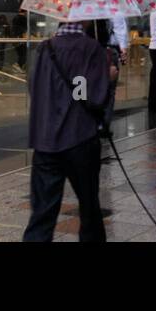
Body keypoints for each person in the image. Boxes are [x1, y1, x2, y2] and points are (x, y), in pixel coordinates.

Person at [23, 21, 117, 242]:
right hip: (80, 138)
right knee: (89, 209)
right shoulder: (91, 48)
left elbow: (33, 86)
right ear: (83, 19)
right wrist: (109, 78)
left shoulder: (44, 48)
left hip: (45, 140)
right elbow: (91, 96)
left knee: (42, 214)